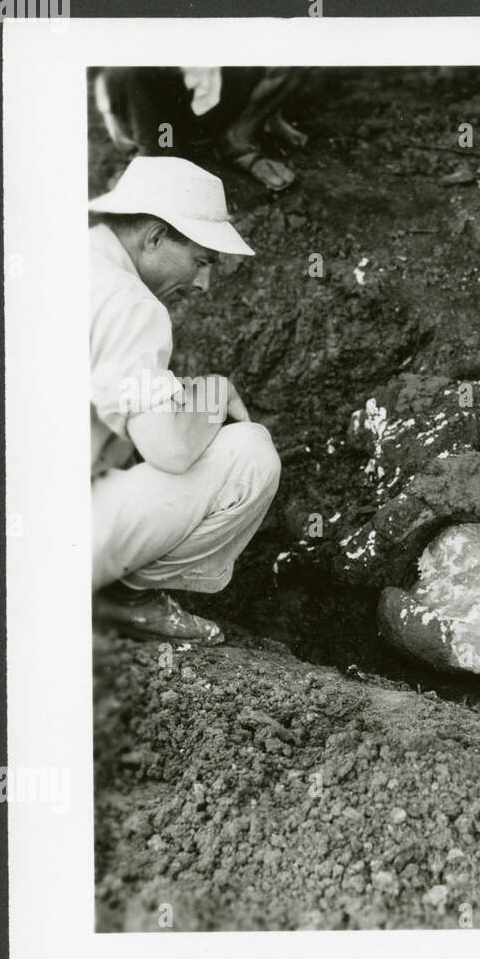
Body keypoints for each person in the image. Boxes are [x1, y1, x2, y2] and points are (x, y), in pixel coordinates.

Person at [89, 156, 281, 644]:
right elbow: (169, 452)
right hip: (48, 546)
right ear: (154, 236)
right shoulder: (132, 304)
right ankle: (121, 598)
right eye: (201, 261)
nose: (203, 284)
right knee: (250, 454)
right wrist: (212, 393)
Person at [95, 67, 307, 191]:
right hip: (158, 115)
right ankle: (168, 170)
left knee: (290, 57)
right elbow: (156, 136)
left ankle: (236, 139)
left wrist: (269, 114)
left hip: (205, 88)